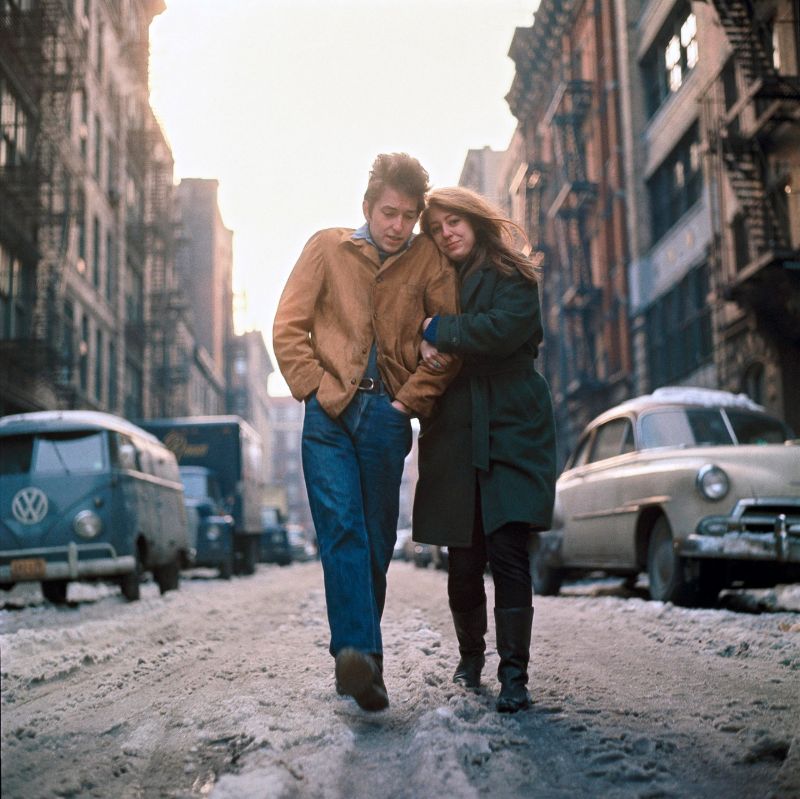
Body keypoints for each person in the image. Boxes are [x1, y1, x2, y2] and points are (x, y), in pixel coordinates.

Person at [272, 153, 459, 712]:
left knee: (376, 542)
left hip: (387, 417)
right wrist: (316, 389)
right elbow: (289, 328)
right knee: (342, 530)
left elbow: (446, 345)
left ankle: (363, 663)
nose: (397, 225)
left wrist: (408, 403)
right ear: (367, 207)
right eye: (388, 212)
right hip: (327, 415)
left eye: (408, 215)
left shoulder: (427, 261)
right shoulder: (328, 247)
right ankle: (354, 652)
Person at [412, 186, 557, 713]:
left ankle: (514, 675)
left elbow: (500, 331)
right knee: (463, 556)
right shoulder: (433, 281)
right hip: (454, 425)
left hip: (511, 420)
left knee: (509, 552)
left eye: (454, 221)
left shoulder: (514, 275)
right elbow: (410, 334)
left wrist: (437, 329)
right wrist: (423, 336)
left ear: (474, 221)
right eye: (436, 227)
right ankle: (470, 657)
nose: (447, 232)